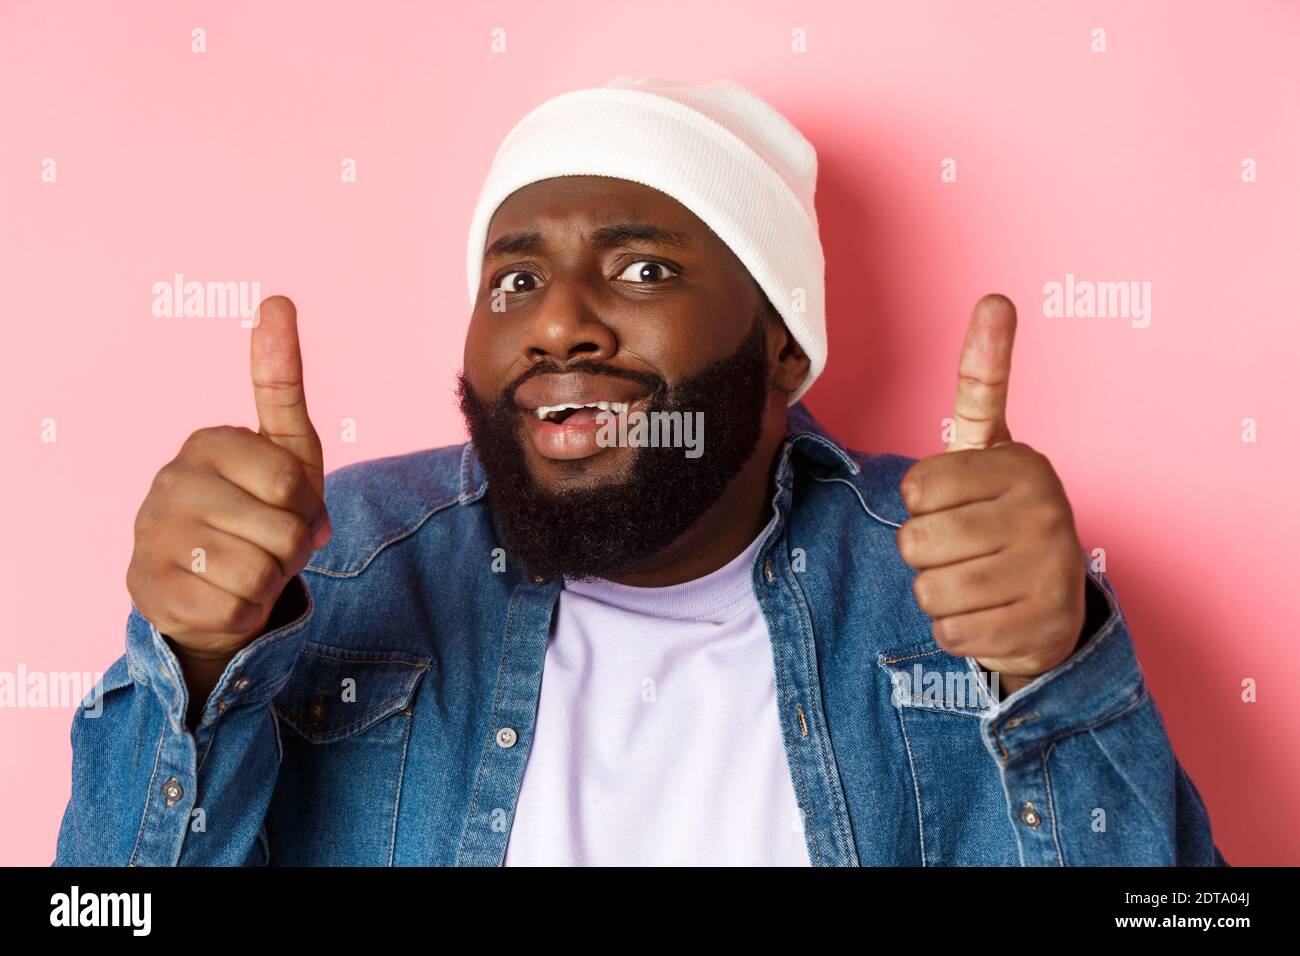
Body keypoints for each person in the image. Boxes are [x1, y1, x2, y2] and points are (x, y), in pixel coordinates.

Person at [55, 76, 1225, 866]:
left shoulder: (956, 575)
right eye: (512, 280)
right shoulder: (332, 563)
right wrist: (197, 669)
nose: (557, 322)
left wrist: (1058, 676)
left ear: (781, 344)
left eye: (643, 271)